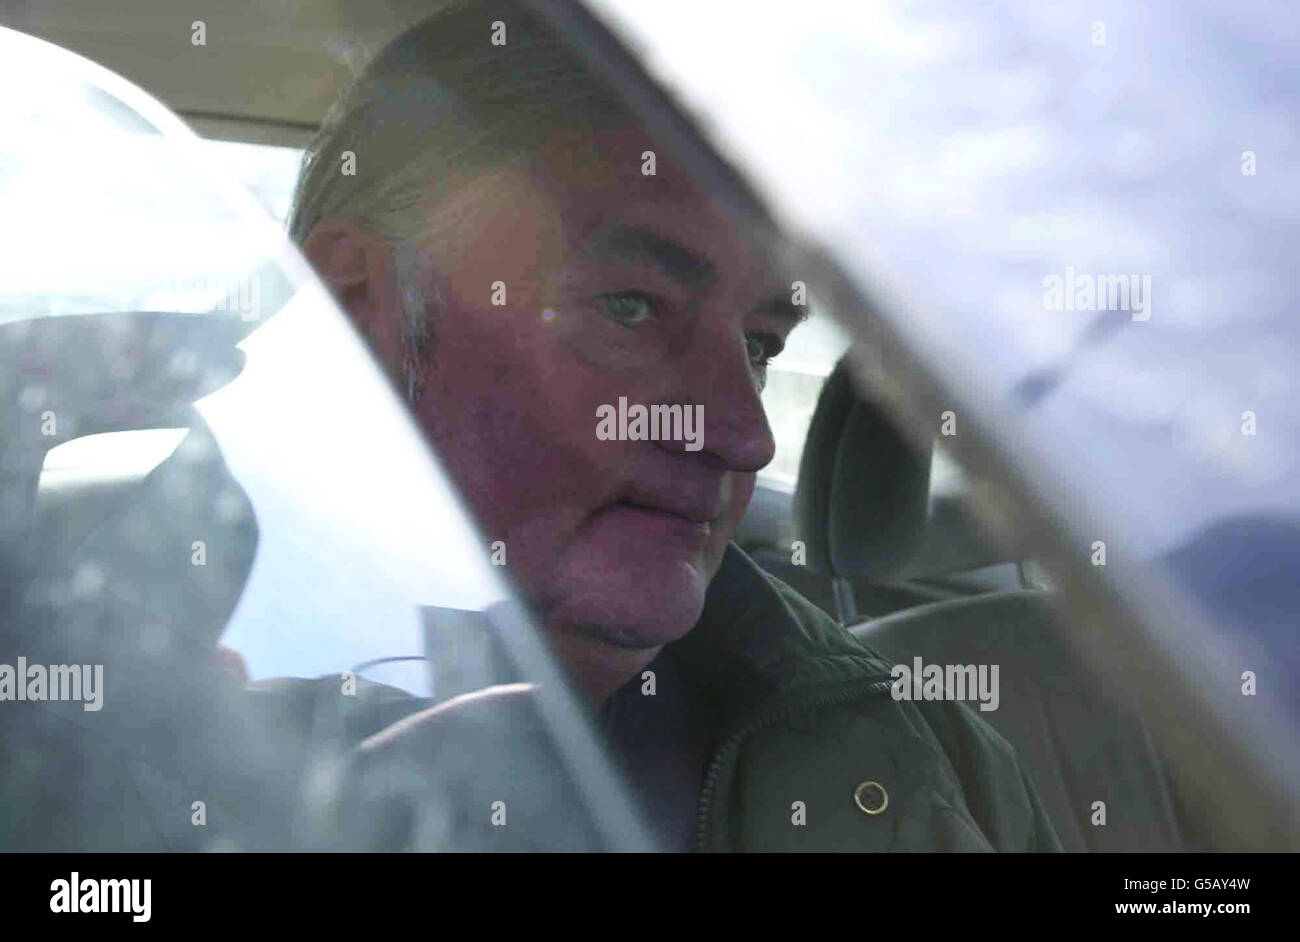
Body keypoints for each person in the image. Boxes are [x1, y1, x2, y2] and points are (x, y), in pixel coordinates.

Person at [287, 0, 1061, 852]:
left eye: (761, 345)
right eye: (630, 306)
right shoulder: (148, 742)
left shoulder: (923, 750)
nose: (744, 435)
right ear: (359, 307)